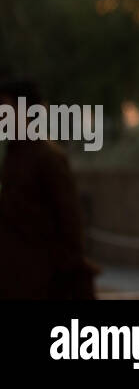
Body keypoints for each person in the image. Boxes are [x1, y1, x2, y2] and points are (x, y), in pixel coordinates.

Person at [0, 78, 97, 299]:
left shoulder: (48, 157)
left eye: (4, 108)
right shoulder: (13, 155)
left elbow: (70, 224)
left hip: (39, 282)